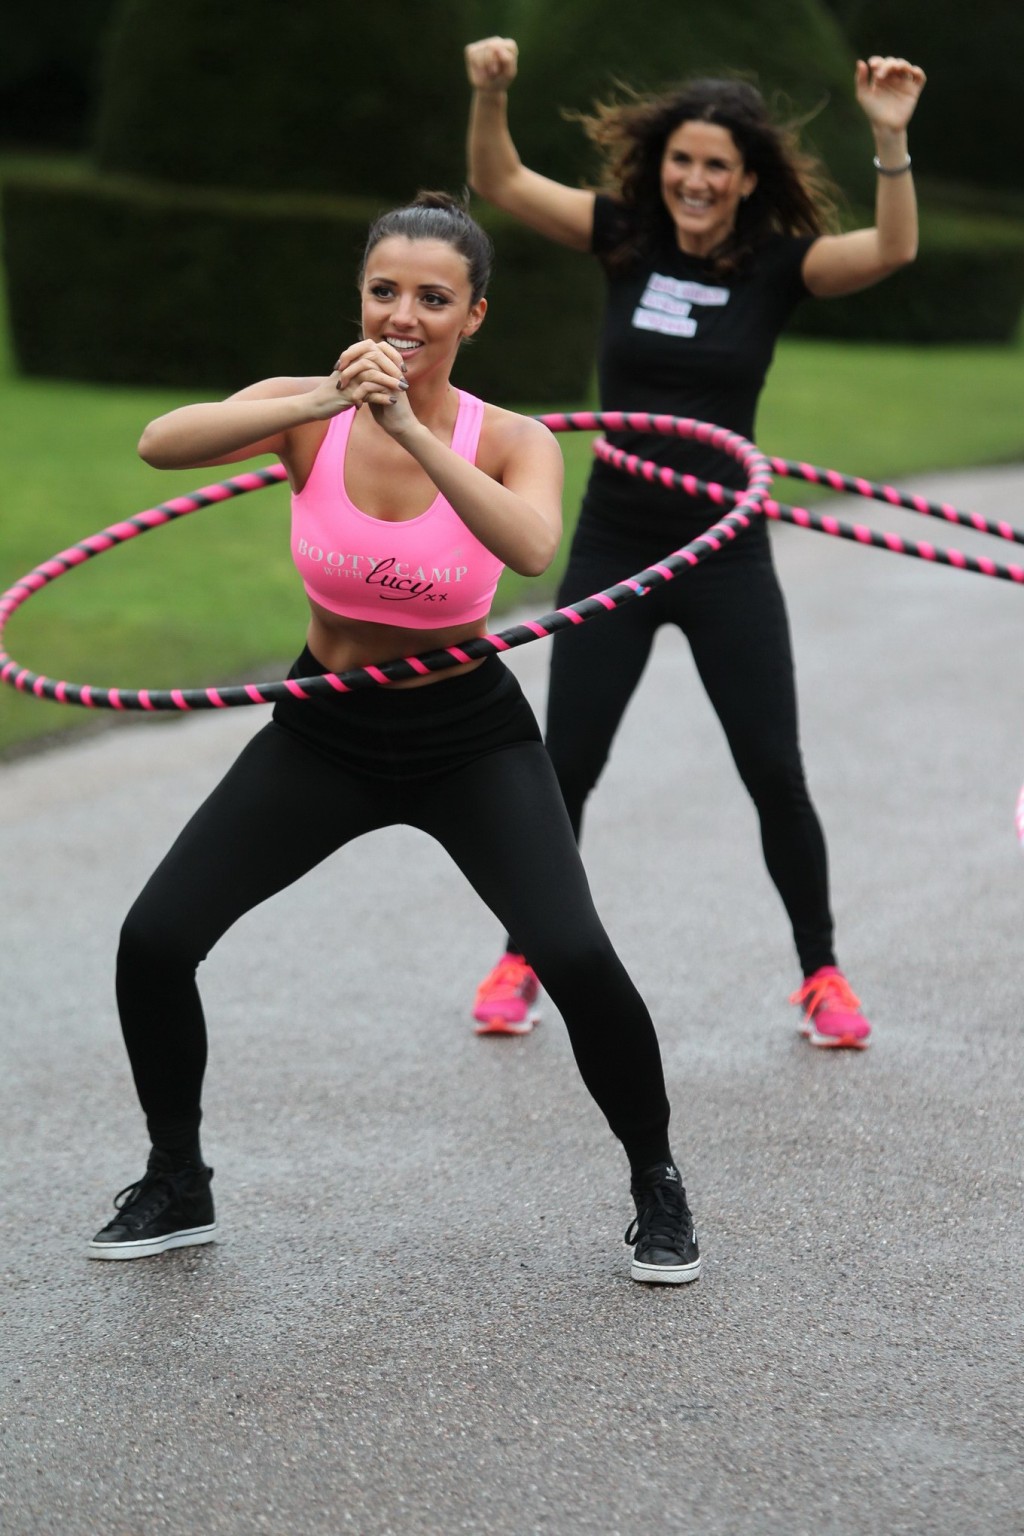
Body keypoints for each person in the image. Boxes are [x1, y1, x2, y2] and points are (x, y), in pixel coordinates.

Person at [86, 192, 700, 1286]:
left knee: (569, 954)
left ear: (474, 316)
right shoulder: (306, 412)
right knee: (154, 939)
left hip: (467, 734)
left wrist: (412, 423)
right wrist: (328, 395)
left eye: (431, 297)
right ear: (359, 297)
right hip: (326, 727)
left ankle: (655, 1179)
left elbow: (527, 550)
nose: (402, 314)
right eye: (383, 291)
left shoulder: (511, 439)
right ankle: (178, 1178)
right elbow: (156, 443)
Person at [464, 39, 926, 1048]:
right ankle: (521, 950)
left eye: (717, 164)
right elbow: (495, 179)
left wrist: (888, 141)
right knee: (565, 764)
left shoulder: (774, 267)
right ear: (658, 165)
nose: (696, 179)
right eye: (682, 160)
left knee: (772, 767)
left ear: (746, 177)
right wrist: (490, 93)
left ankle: (820, 972)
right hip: (615, 543)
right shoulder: (622, 236)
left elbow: (890, 253)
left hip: (725, 551)